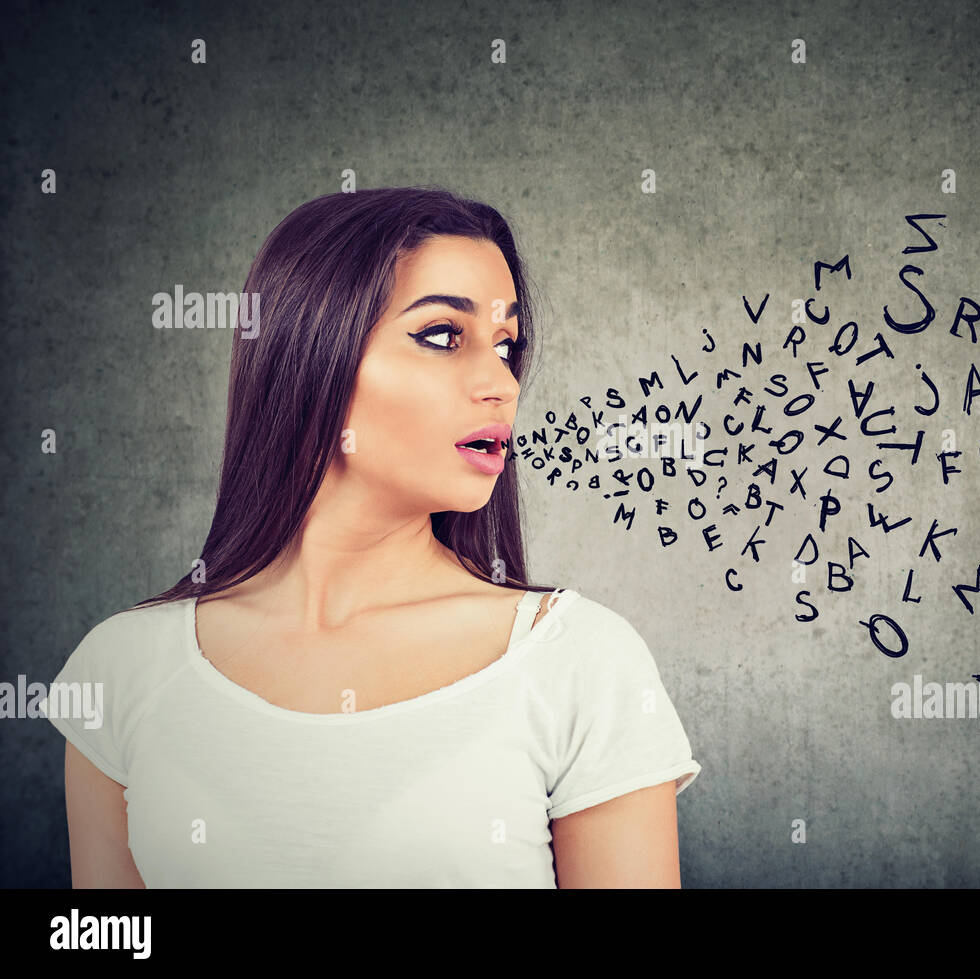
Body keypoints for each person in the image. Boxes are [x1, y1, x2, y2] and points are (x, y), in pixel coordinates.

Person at [41, 187, 701, 888]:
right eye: (444, 335)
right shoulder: (123, 669)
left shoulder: (581, 665)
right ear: (312, 351)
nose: (502, 384)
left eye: (506, 345)